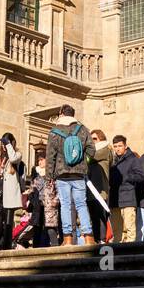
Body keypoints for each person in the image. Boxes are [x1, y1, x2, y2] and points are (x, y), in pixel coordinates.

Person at [46, 104, 96, 246]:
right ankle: (88, 237)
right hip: (79, 174)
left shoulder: (54, 132)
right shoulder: (82, 129)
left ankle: (67, 239)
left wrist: (49, 177)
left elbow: (50, 156)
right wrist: (84, 162)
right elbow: (92, 149)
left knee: (66, 205)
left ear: (61, 113)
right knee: (81, 204)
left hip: (62, 175)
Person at [109, 134, 144, 243]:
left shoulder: (133, 159)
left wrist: (126, 178)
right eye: (115, 146)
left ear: (125, 146)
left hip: (128, 198)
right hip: (114, 199)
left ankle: (131, 252)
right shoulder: (113, 160)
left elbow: (141, 176)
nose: (117, 148)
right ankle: (117, 253)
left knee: (130, 229)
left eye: (120, 146)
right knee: (116, 231)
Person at [0, 132, 24, 250]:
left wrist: (9, 145)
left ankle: (7, 245)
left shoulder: (17, 154)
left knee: (9, 221)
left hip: (9, 192)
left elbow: (13, 158)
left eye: (5, 143)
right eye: (2, 143)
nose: (3, 146)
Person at [29, 154, 62, 246]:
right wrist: (31, 199)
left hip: (50, 204)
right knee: (37, 227)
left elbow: (57, 188)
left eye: (42, 159)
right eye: (38, 160)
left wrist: (55, 200)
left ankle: (55, 246)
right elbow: (32, 188)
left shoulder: (52, 173)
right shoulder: (36, 174)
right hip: (38, 205)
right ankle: (36, 248)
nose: (40, 162)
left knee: (50, 227)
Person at [87, 128, 113, 242]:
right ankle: (97, 239)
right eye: (91, 139)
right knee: (93, 216)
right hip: (91, 188)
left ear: (101, 139)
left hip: (101, 189)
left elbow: (90, 157)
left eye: (95, 139)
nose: (93, 141)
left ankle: (102, 239)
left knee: (101, 215)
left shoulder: (104, 149)